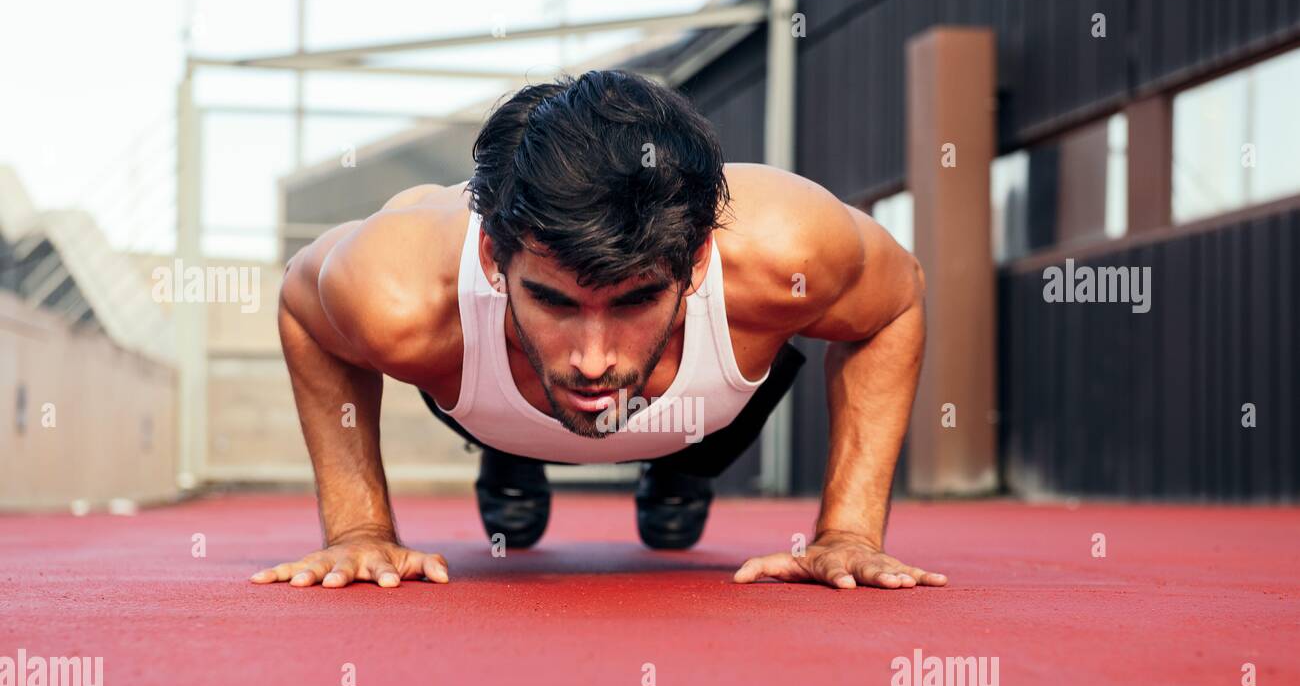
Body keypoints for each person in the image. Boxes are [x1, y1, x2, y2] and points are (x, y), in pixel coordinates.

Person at [252, 70, 947, 592]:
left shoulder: (788, 250)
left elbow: (897, 300)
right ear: (494, 259)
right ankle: (512, 449)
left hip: (703, 416)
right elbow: (298, 305)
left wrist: (849, 532)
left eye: (635, 300)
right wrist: (359, 528)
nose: (591, 359)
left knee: (673, 512)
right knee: (514, 504)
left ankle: (680, 470)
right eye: (555, 302)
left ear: (698, 259)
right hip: (492, 396)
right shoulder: (396, 289)